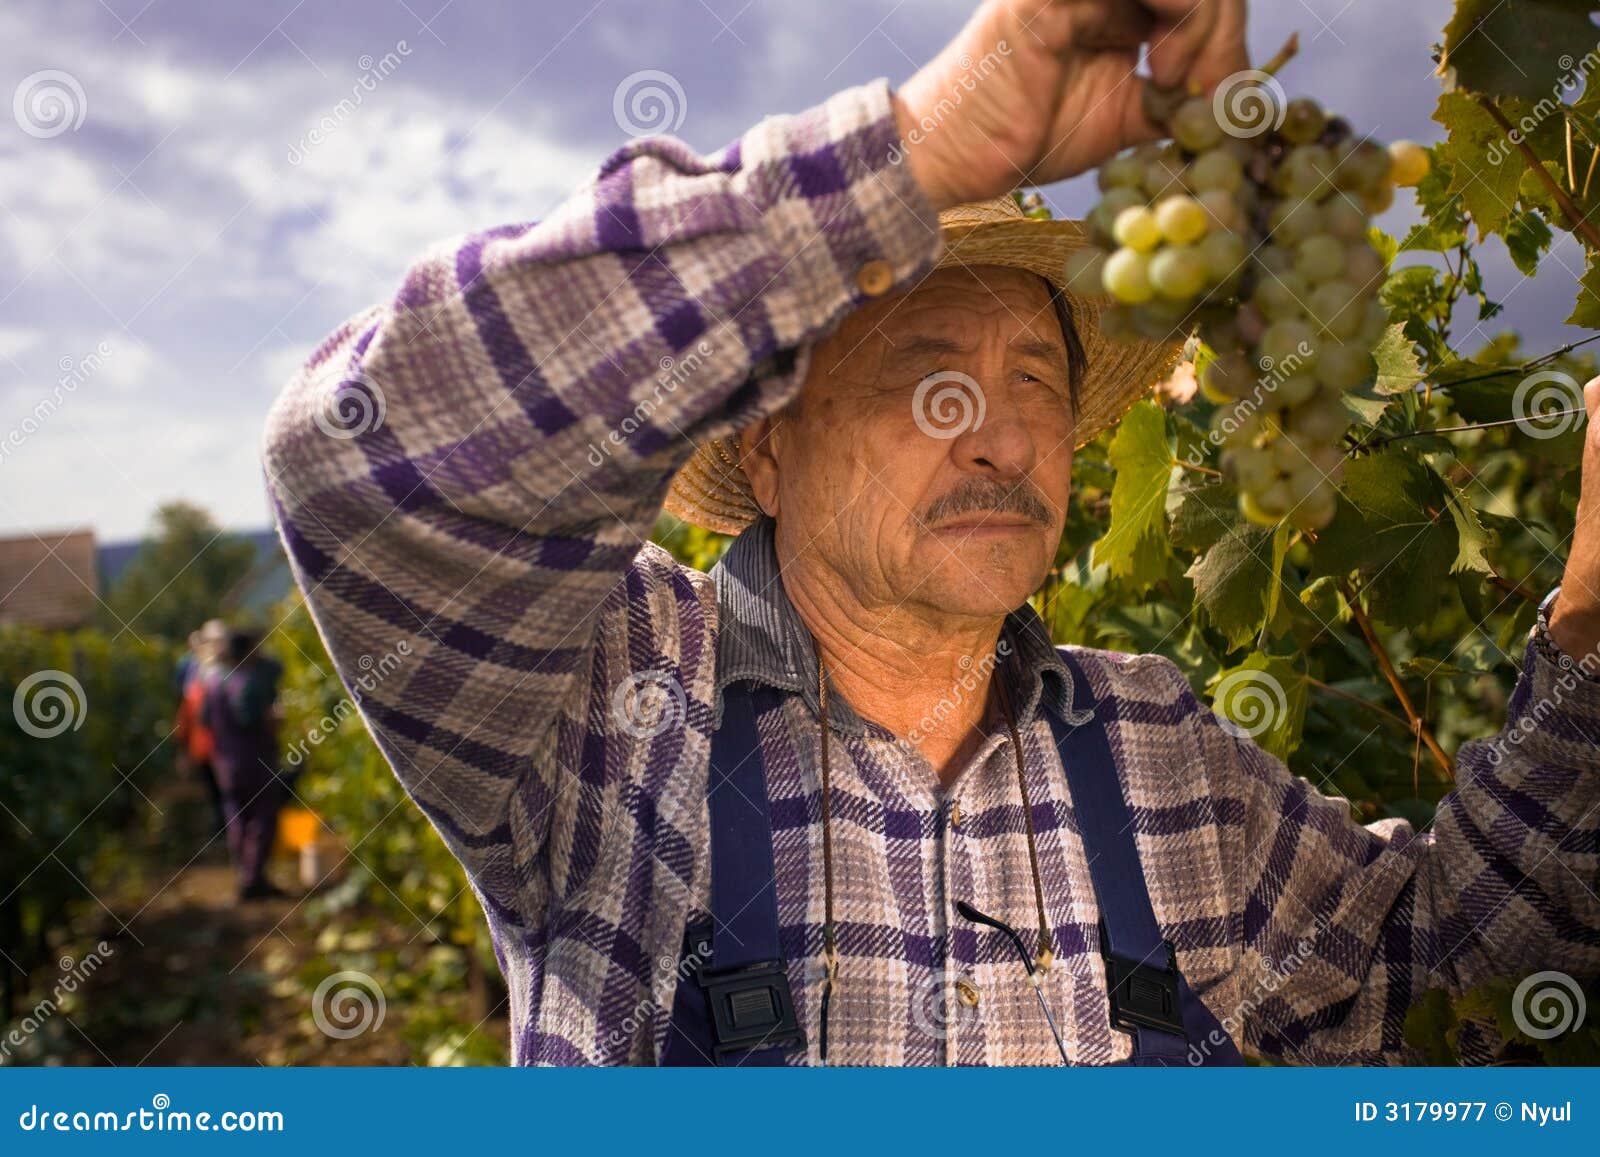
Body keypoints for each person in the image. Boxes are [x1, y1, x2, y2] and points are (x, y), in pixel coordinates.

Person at [263, 0, 1600, 1065]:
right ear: (768, 446)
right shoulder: (613, 707)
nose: (1003, 436)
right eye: (929, 377)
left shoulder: (1161, 750)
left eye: (1038, 381)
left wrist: (1590, 620)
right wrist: (908, 153)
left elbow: (1452, 983)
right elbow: (361, 460)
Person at [201, 628, 288, 901]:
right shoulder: (248, 683)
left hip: (225, 761)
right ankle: (254, 878)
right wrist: (275, 720)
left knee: (236, 816)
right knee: (262, 816)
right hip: (254, 759)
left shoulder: (214, 681)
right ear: (249, 651)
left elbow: (205, 720)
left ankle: (244, 874)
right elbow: (251, 718)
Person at [174, 619, 229, 840]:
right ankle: (225, 830)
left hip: (212, 747)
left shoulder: (205, 681)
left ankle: (224, 830)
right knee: (221, 791)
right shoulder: (203, 680)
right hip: (214, 747)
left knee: (221, 791)